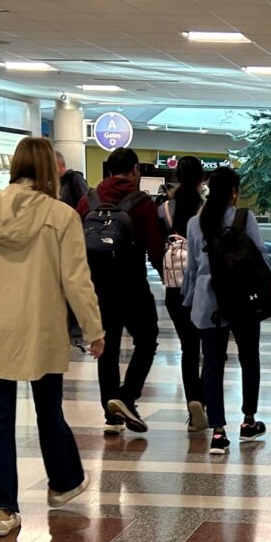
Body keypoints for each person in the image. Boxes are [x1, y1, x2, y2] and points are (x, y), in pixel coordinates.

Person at [0, 137, 104, 537]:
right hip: (40, 326)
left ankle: (2, 509)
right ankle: (64, 483)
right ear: (49, 170)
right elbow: (76, 280)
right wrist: (94, 329)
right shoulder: (61, 216)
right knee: (48, 411)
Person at [181, 167, 271, 455]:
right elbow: (261, 256)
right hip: (244, 299)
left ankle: (218, 432)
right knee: (249, 358)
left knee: (212, 364)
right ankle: (248, 420)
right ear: (234, 191)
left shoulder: (196, 223)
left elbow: (192, 269)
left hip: (209, 302)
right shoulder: (245, 218)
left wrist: (188, 300)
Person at [76, 147, 164, 434]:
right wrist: (169, 278)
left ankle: (111, 413)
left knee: (107, 347)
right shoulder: (142, 203)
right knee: (147, 339)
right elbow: (154, 248)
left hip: (97, 287)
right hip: (133, 285)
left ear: (108, 171)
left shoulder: (87, 201)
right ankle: (127, 396)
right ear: (135, 170)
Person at [159, 155, 206, 434]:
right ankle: (204, 398)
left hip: (174, 287)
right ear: (202, 179)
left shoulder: (163, 209)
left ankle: (193, 403)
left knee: (188, 348)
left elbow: (155, 248)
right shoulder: (205, 210)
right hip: (201, 286)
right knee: (208, 348)